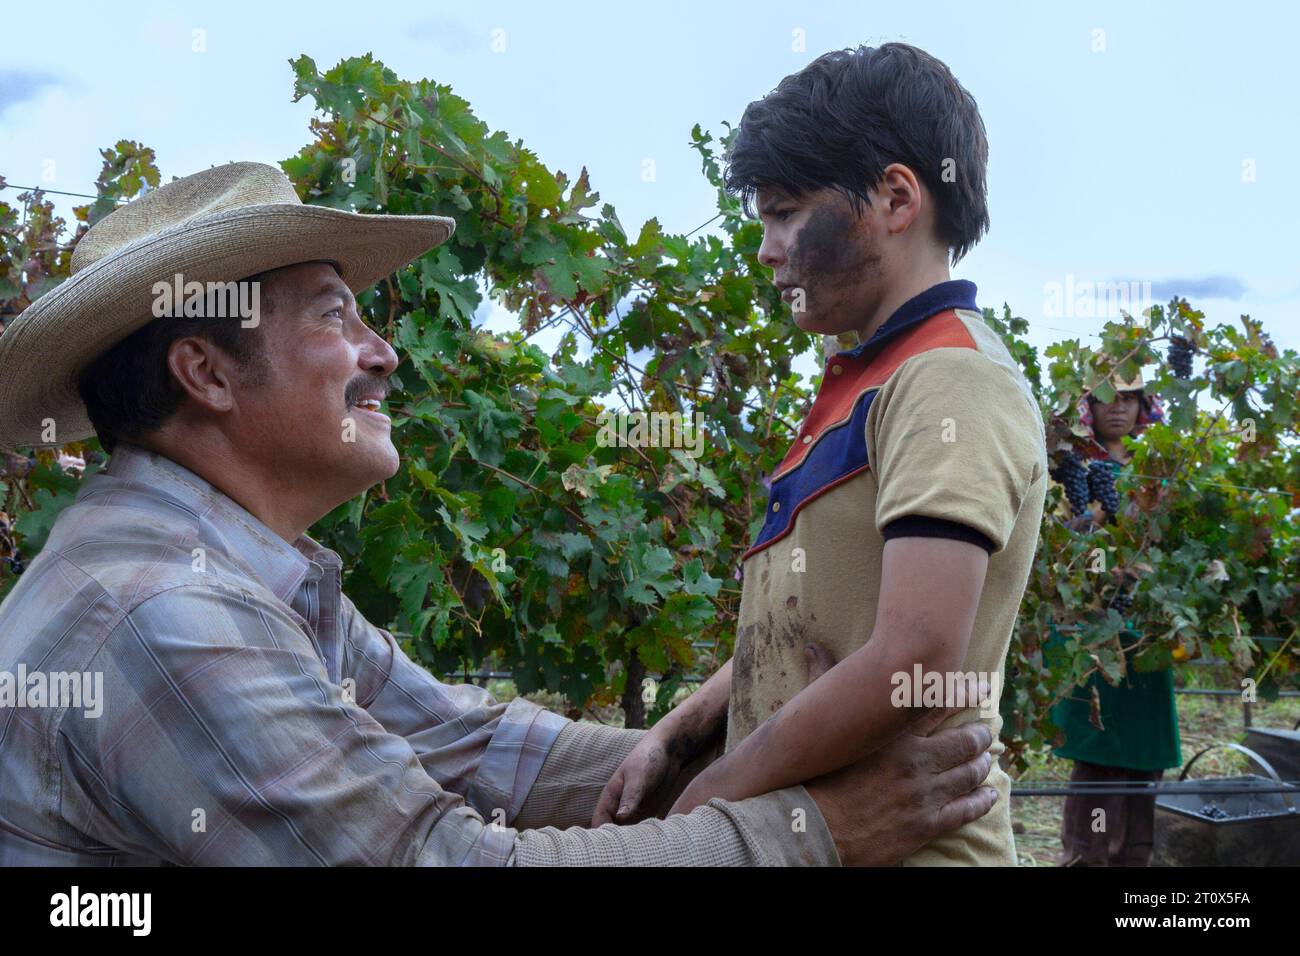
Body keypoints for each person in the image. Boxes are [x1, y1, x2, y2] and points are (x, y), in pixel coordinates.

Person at [0, 161, 999, 865]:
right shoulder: (168, 614)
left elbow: (468, 746)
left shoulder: (251, 571)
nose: (382, 352)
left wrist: (713, 747)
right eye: (334, 314)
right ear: (206, 372)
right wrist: (807, 828)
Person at [596, 43, 1046, 865]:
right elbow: (824, 627)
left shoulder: (949, 380)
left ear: (896, 198)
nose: (767, 250)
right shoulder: (869, 382)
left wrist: (711, 799)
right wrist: (678, 731)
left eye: (786, 212)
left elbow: (916, 657)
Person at [1048, 370, 1182, 866]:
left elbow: (1175, 534)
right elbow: (1061, 544)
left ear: (1144, 405)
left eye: (1130, 399)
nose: (1119, 409)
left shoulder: (1159, 464)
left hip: (1146, 627)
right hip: (1093, 626)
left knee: (1145, 748)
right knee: (1099, 750)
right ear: (1090, 407)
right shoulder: (1072, 466)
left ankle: (1134, 861)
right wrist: (1095, 531)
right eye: (1108, 399)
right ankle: (1084, 857)